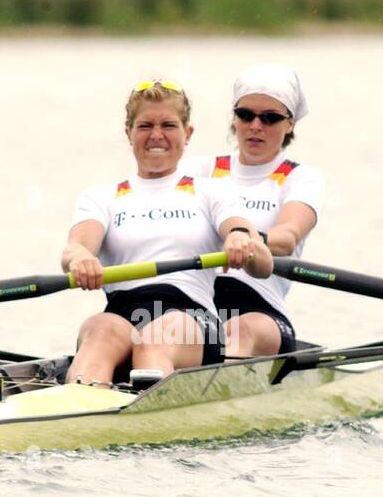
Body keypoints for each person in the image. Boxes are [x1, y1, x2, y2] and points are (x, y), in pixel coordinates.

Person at [61, 80, 272, 386]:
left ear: (187, 134)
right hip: (122, 316)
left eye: (168, 125)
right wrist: (80, 259)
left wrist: (242, 241)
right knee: (98, 329)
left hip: (191, 320)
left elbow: (262, 264)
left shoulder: (212, 191)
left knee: (157, 336)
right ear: (128, 132)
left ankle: (145, 418)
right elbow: (74, 248)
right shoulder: (101, 197)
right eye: (145, 125)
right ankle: (78, 410)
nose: (156, 135)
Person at [194, 64, 325, 357]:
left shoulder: (300, 177)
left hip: (259, 309)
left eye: (269, 118)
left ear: (289, 124)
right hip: (193, 303)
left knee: (240, 332)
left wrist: (245, 240)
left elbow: (288, 236)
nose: (256, 126)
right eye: (246, 115)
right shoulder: (200, 170)